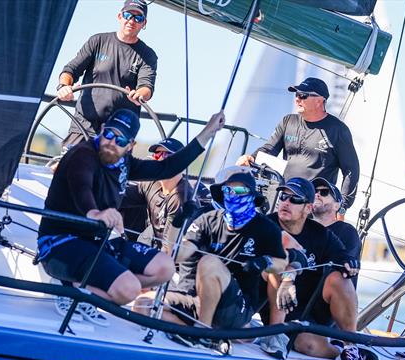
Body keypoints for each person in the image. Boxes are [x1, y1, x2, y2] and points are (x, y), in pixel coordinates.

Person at [37, 108, 225, 324]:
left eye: (120, 139)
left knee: (165, 268)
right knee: (129, 290)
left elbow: (167, 167)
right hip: (61, 244)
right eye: (109, 134)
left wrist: (208, 132)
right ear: (102, 129)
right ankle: (69, 288)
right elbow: (82, 187)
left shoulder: (124, 162)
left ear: (130, 145)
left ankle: (85, 290)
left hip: (97, 244)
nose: (111, 142)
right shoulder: (82, 155)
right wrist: (95, 213)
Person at [161, 167, 287, 341]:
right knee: (145, 304)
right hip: (196, 299)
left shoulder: (267, 228)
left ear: (252, 195)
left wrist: (264, 262)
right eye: (227, 190)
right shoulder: (207, 219)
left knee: (209, 262)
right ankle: (209, 336)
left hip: (235, 305)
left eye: (240, 191)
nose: (233, 195)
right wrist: (177, 222)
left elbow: (282, 263)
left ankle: (202, 334)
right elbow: (177, 255)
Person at [260, 177, 366, 360]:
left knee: (339, 278)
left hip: (311, 307)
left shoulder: (321, 234)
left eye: (294, 199)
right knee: (307, 345)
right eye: (283, 197)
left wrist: (349, 263)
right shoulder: (266, 224)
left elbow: (341, 255)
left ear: (308, 208)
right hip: (276, 305)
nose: (286, 202)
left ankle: (350, 349)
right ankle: (274, 335)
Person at [236, 77, 360, 212]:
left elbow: (351, 170)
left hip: (313, 204)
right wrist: (251, 157)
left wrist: (342, 206)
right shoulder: (288, 121)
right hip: (284, 196)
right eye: (296, 94)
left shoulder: (338, 130)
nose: (297, 99)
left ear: (319, 101)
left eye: (303, 95)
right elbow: (269, 148)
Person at [55, 0, 157, 148]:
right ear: (119, 16)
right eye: (128, 15)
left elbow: (147, 87)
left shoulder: (148, 55)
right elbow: (71, 70)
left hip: (117, 133)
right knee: (69, 162)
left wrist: (139, 95)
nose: (131, 21)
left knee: (110, 164)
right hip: (83, 126)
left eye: (138, 18)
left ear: (144, 23)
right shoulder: (98, 41)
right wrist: (64, 86)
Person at [119, 137, 196, 252]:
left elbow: (169, 248)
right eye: (157, 154)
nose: (160, 159)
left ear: (181, 162)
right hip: (155, 246)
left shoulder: (180, 198)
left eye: (167, 155)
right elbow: (120, 197)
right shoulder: (151, 184)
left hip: (174, 256)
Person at [311, 177, 362, 281]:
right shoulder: (302, 227)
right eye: (314, 191)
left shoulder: (347, 231)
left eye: (324, 192)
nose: (317, 195)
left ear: (336, 206)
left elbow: (344, 265)